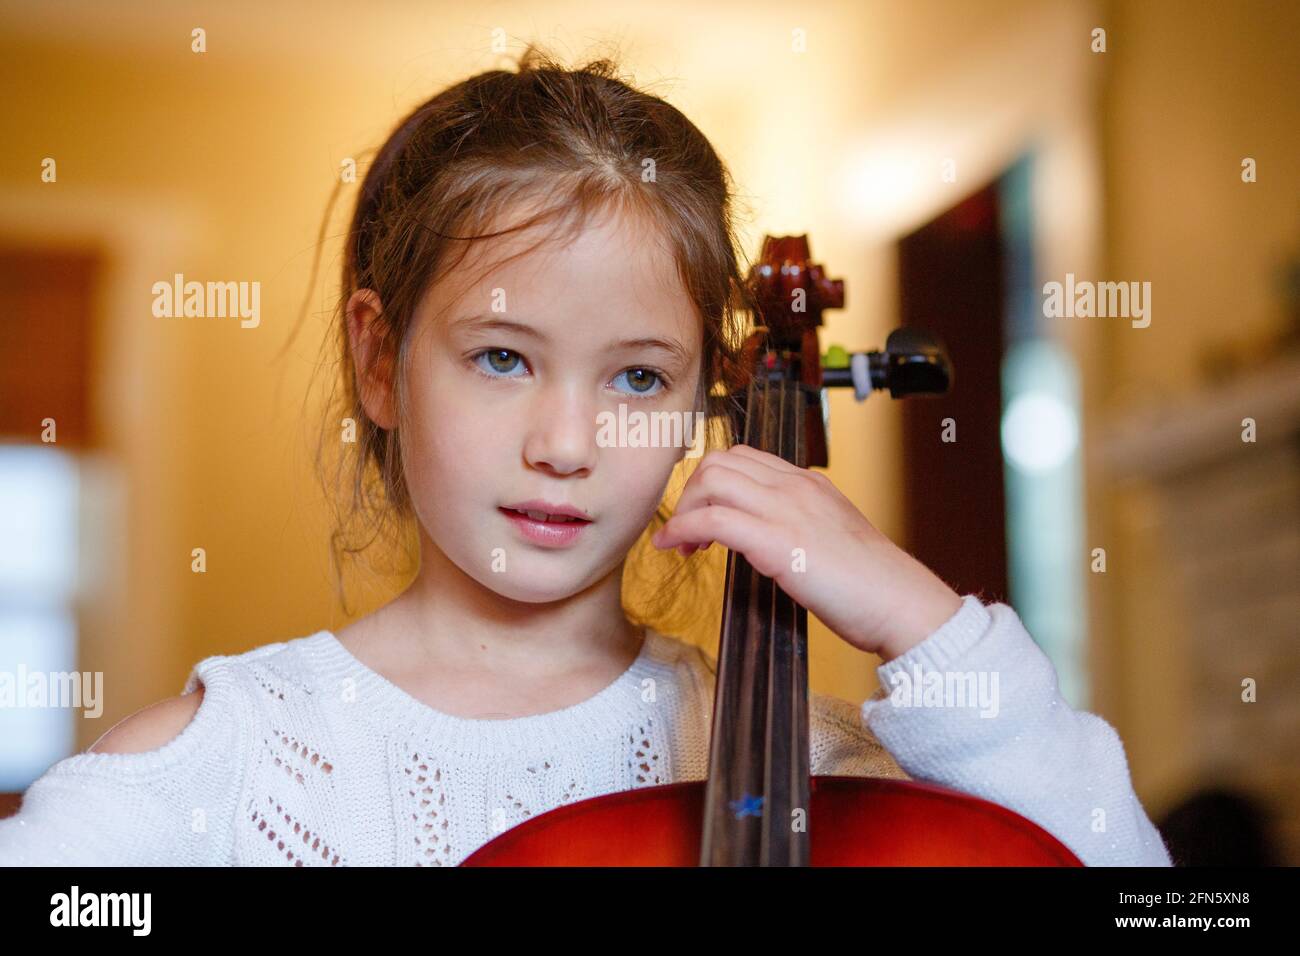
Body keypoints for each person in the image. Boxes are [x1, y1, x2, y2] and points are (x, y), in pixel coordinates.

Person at [0, 46, 1171, 867]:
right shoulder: (228, 766)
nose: (566, 445)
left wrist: (926, 624)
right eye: (502, 357)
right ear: (379, 358)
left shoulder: (829, 780)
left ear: (703, 397)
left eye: (638, 377)